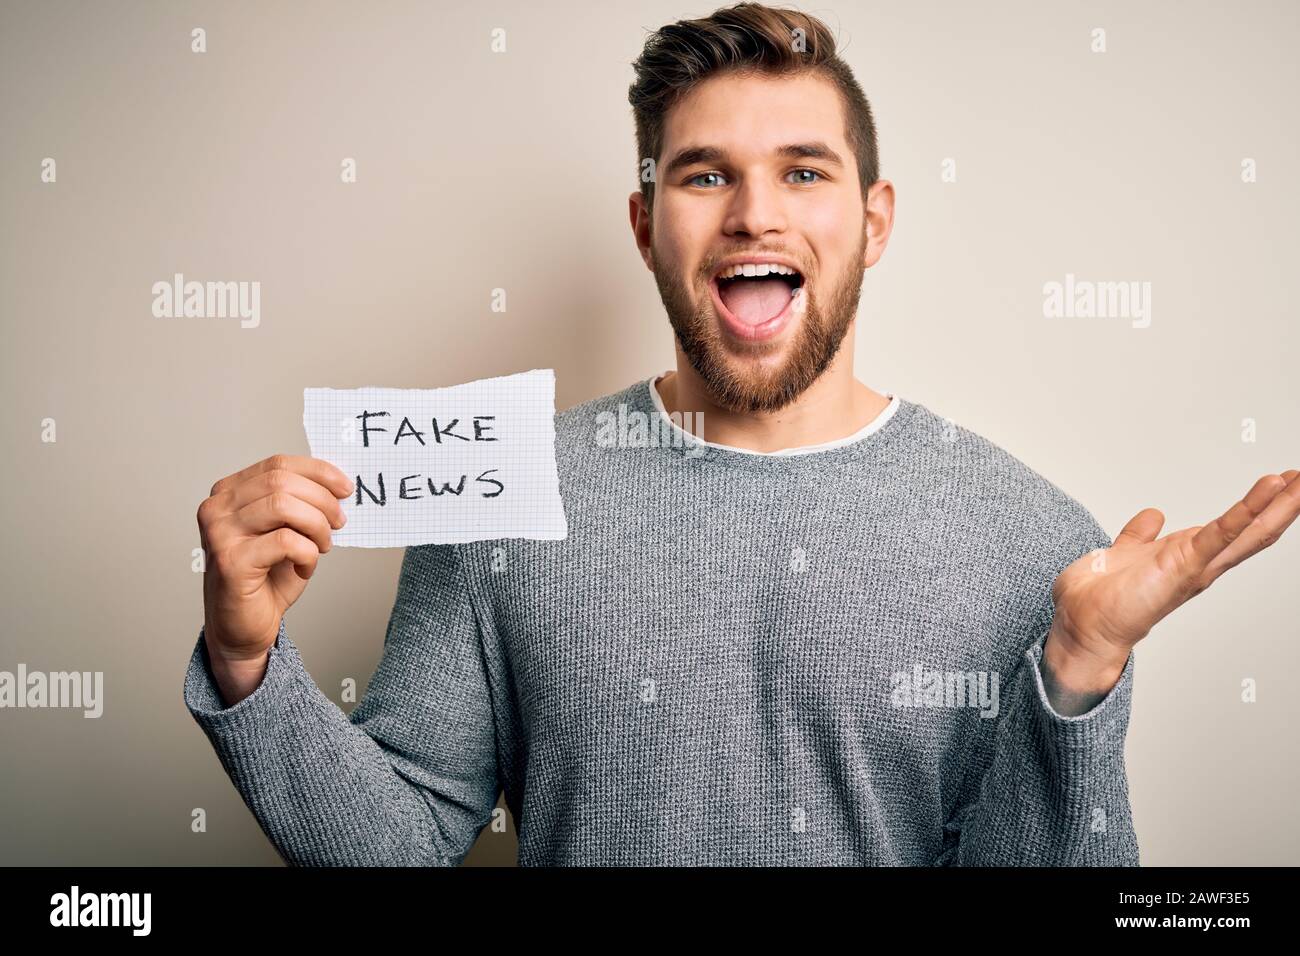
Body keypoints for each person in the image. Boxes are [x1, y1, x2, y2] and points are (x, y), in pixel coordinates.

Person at [184, 2, 1298, 866]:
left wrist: (1078, 672)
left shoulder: (1038, 546)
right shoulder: (502, 497)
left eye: (802, 171)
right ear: (643, 222)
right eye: (704, 173)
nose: (753, 213)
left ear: (872, 221)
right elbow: (399, 843)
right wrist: (247, 665)